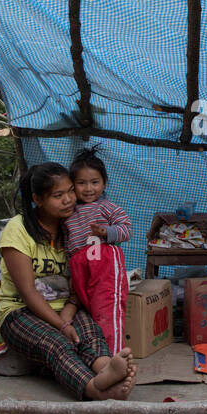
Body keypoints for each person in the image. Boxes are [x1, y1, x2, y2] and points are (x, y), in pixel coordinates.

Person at [0, 163, 135, 400]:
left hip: (64, 308)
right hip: (20, 312)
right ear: (38, 199)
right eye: (58, 196)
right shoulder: (18, 229)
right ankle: (93, 389)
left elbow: (77, 285)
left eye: (71, 191)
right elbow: (28, 293)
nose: (69, 200)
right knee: (57, 343)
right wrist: (62, 325)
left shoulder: (73, 229)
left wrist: (68, 313)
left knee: (91, 332)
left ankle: (106, 369)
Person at [63, 145, 132, 355]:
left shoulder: (107, 207)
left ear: (104, 183)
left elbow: (126, 230)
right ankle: (95, 355)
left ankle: (114, 357)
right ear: (72, 185)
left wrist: (106, 231)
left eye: (95, 182)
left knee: (107, 309)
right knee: (87, 312)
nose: (89, 188)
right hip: (78, 267)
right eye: (81, 183)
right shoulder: (68, 212)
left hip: (103, 263)